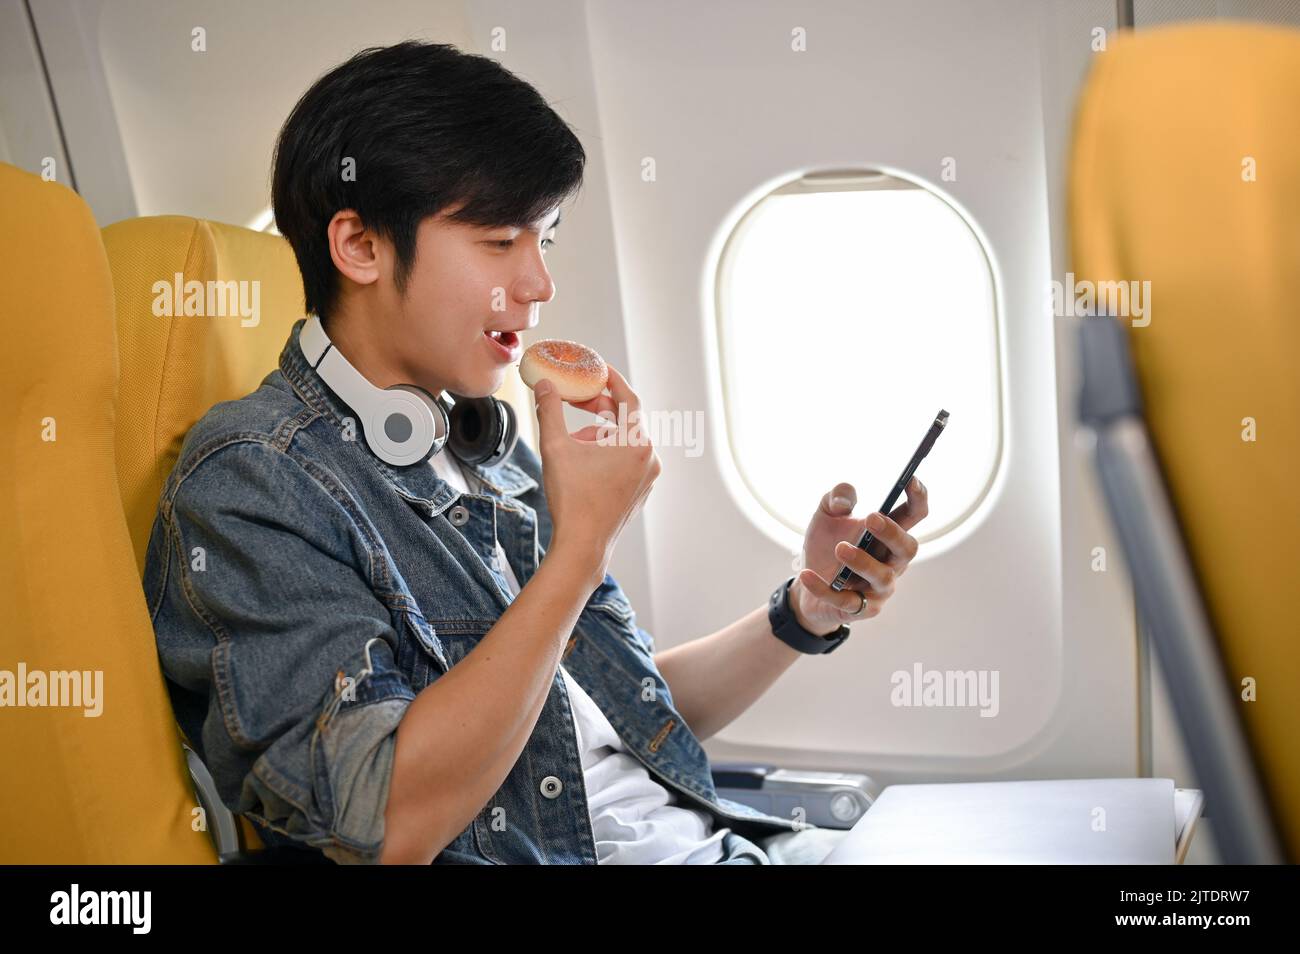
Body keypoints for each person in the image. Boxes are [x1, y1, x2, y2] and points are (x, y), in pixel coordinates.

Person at [144, 41, 928, 865]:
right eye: (499, 241)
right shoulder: (251, 483)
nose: (540, 283)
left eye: (544, 238)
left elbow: (611, 719)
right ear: (361, 247)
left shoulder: (484, 450)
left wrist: (805, 611)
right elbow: (386, 821)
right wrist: (581, 550)